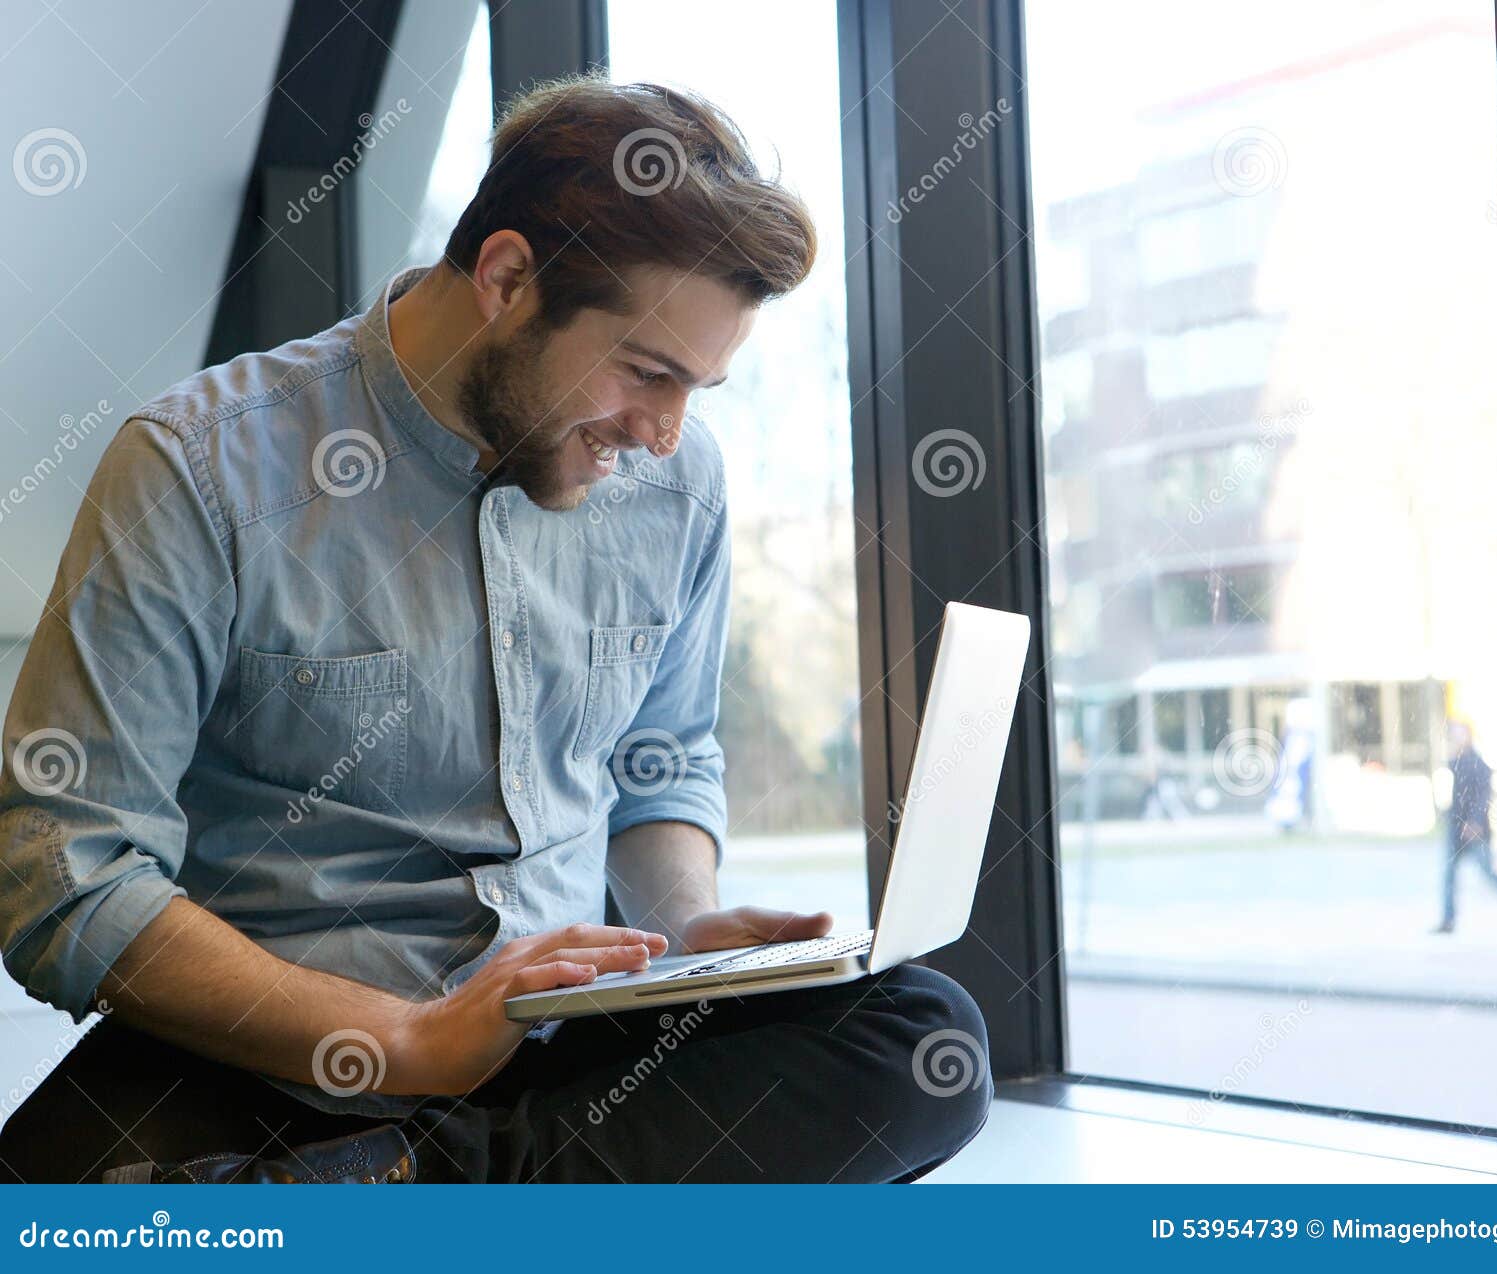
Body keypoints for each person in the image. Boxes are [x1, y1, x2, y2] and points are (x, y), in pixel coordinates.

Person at [0, 75, 990, 1184]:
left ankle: (398, 1191)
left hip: (572, 1035)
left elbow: (658, 760)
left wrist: (685, 928)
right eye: (649, 373)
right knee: (37, 1205)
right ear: (509, 278)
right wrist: (410, 1040)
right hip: (276, 1049)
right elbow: (66, 871)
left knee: (919, 1035)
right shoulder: (199, 467)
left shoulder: (679, 485)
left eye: (698, 389)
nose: (664, 434)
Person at [1432, 720, 1497, 934]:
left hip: (1474, 831)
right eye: (1452, 735)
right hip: (1456, 829)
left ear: (1468, 736)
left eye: (1458, 734)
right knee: (1449, 874)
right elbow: (1452, 795)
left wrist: (1475, 821)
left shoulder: (1478, 764)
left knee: (1489, 874)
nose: (1454, 739)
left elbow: (1482, 797)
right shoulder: (1453, 762)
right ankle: (1448, 920)